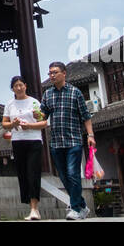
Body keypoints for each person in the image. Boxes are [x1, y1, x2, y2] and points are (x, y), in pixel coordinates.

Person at [40, 61, 95, 220]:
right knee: (64, 177)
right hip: (56, 142)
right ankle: (82, 206)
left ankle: (76, 208)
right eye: (50, 73)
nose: (52, 75)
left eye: (55, 72)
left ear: (64, 73)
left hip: (73, 141)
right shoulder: (47, 94)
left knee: (72, 174)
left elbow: (86, 116)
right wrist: (32, 117)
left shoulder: (75, 92)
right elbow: (43, 116)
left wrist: (90, 135)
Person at [2, 75, 47, 220]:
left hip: (33, 140)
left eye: (21, 85)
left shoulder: (34, 102)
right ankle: (30, 206)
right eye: (16, 86)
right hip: (18, 140)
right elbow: (4, 124)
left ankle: (35, 208)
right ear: (12, 89)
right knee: (22, 174)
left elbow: (43, 122)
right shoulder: (10, 104)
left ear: (25, 86)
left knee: (33, 172)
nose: (19, 88)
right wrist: (13, 124)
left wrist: (31, 123)